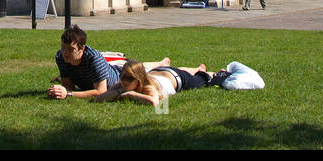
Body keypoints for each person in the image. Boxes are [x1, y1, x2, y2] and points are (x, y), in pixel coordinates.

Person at [47, 26, 166, 100]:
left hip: (118, 74)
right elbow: (69, 86)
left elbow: (100, 92)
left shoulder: (94, 59)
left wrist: (68, 94)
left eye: (70, 49)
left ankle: (162, 62)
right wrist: (59, 90)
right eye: (63, 47)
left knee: (141, 69)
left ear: (81, 49)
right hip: (106, 70)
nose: (65, 52)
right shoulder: (60, 57)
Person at [92, 59, 228, 105]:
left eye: (129, 78)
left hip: (177, 78)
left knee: (203, 79)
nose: (125, 81)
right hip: (160, 72)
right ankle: (197, 68)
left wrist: (130, 95)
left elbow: (155, 102)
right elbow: (98, 99)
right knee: (180, 70)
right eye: (123, 77)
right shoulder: (122, 83)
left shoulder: (149, 87)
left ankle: (211, 71)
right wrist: (117, 91)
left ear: (139, 80)